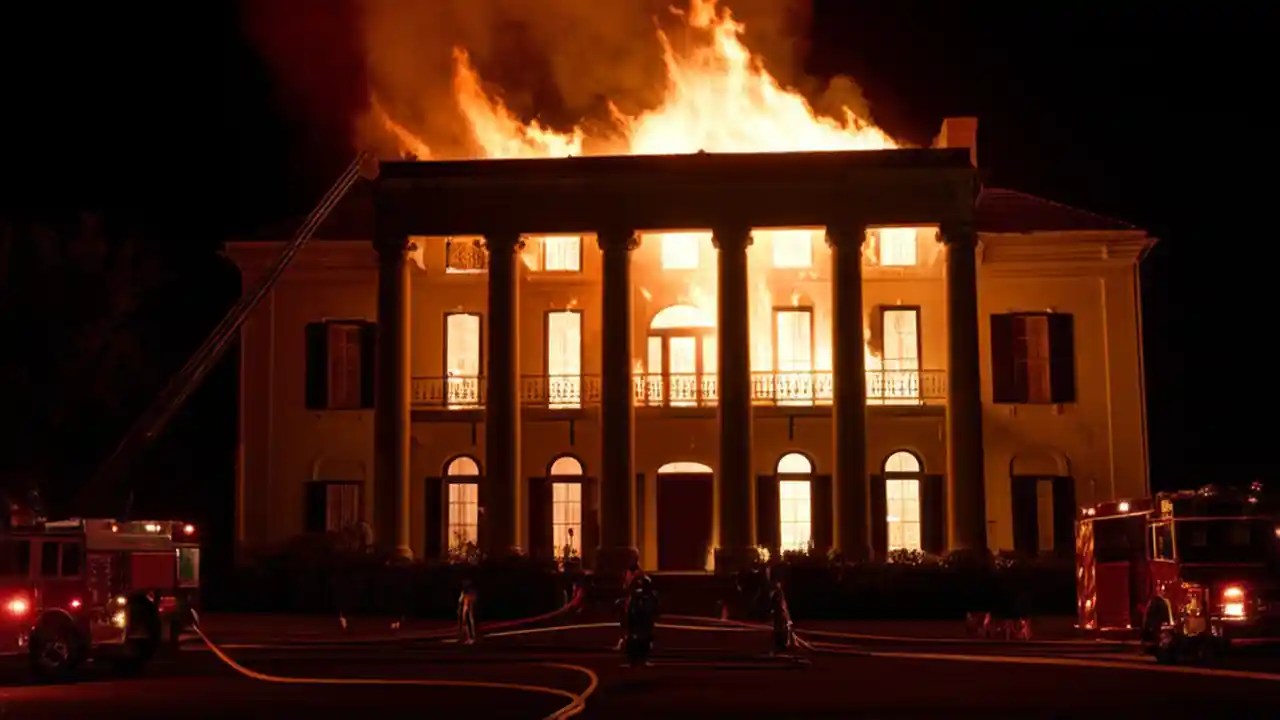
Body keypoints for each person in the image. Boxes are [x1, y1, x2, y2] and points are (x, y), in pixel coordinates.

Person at [768, 580, 794, 655]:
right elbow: (781, 606)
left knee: (781, 629)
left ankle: (782, 644)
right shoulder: (778, 594)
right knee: (779, 629)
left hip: (780, 615)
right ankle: (780, 644)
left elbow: (783, 606)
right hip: (779, 615)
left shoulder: (780, 594)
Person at [458, 580, 478, 645]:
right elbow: (461, 600)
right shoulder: (467, 592)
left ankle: (471, 638)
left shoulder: (467, 593)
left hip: (468, 610)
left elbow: (462, 601)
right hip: (467, 609)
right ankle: (469, 638)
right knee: (467, 623)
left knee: (468, 623)